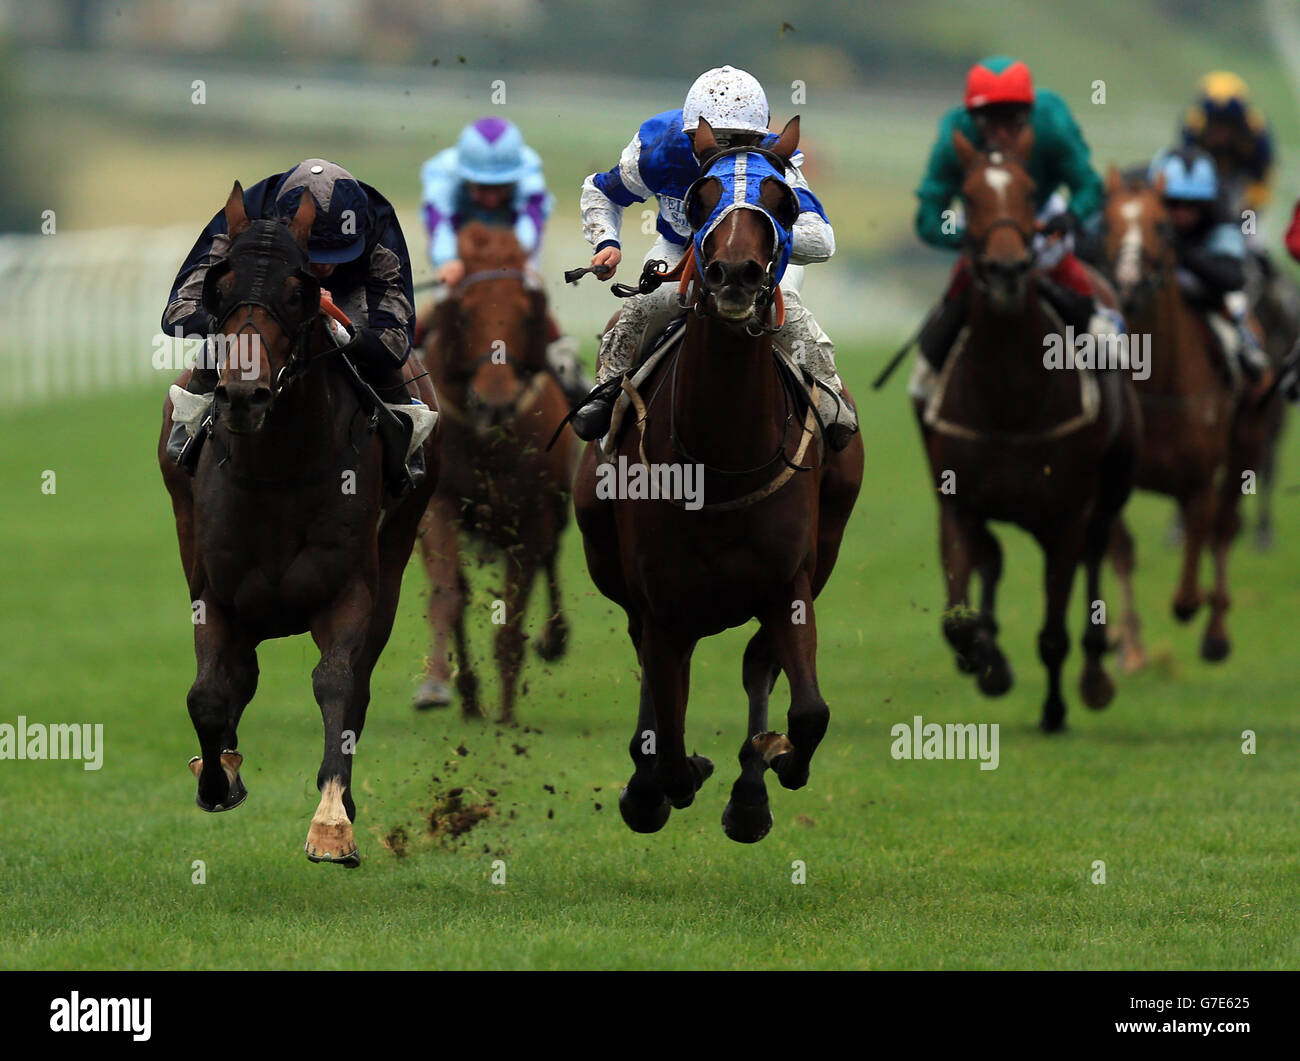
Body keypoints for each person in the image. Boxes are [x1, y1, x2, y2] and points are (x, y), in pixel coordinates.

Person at [570, 64, 857, 449]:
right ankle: (605, 392)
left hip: (762, 263)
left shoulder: (779, 160)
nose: (727, 149)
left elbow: (821, 241)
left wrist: (756, 240)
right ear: (691, 134)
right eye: (715, 139)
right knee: (643, 307)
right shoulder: (657, 148)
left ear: (760, 135)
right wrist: (607, 241)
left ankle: (831, 397)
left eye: (739, 138)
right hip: (680, 253)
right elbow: (601, 190)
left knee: (787, 308)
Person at [163, 159, 424, 492]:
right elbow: (178, 313)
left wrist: (341, 325)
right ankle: (190, 424)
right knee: (238, 332)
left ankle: (405, 438)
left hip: (351, 297)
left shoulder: (378, 221)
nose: (326, 265)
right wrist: (235, 322)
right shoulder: (252, 212)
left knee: (384, 365)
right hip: (274, 290)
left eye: (337, 253)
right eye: (315, 253)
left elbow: (394, 343)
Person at [911, 56, 1118, 399]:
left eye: (1012, 120)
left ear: (1028, 114)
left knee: (1109, 347)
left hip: (1043, 220)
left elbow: (1088, 185)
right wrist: (971, 238)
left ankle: (1102, 346)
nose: (1002, 133)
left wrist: (1071, 218)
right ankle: (932, 381)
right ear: (973, 118)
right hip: (983, 227)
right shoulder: (955, 134)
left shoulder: (1051, 120)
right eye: (990, 121)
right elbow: (928, 217)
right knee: (920, 382)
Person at [419, 117, 589, 402]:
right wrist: (447, 261)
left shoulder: (529, 173)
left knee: (532, 295)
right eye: (481, 187)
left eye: (500, 187)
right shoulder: (440, 173)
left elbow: (529, 227)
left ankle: (569, 372)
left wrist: (522, 265)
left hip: (513, 256)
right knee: (439, 299)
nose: (491, 198)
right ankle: (409, 357)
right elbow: (440, 225)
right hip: (463, 259)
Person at [1151, 146, 1270, 388]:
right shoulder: (1137, 198)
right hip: (1150, 292)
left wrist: (1180, 253)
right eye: (1173, 203)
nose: (1182, 213)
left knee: (1236, 303)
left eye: (1193, 205)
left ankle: (1246, 348)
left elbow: (1232, 277)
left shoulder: (1223, 212)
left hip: (1205, 293)